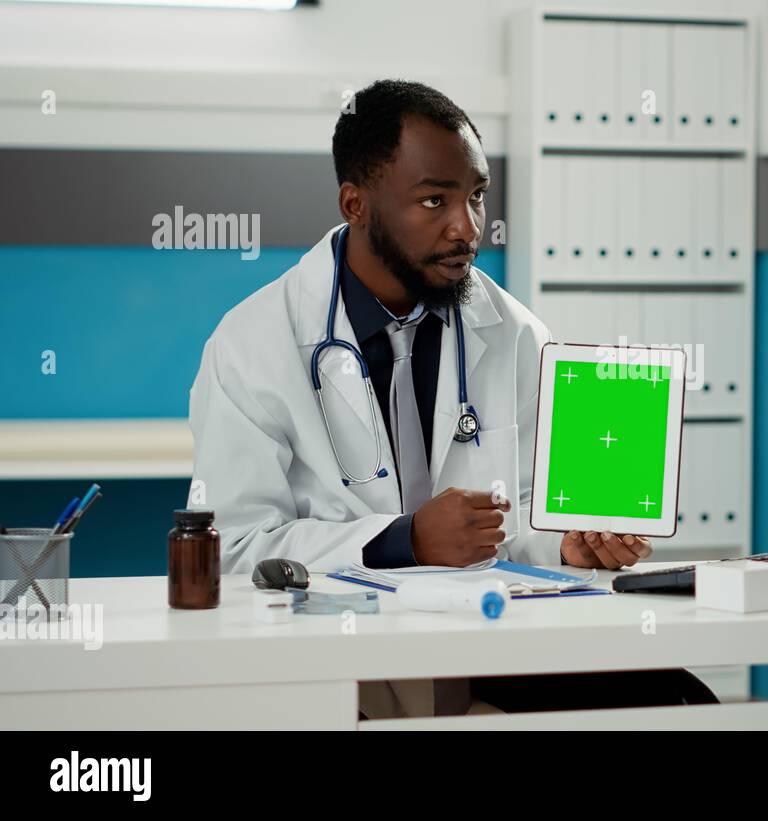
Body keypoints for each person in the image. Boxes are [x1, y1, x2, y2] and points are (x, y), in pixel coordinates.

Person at [188, 79, 715, 716]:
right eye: (434, 200)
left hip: (480, 639)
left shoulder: (513, 332)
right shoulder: (253, 344)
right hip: (328, 652)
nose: (466, 228)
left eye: (476, 197)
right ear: (356, 204)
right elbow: (236, 550)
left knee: (678, 700)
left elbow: (521, 519)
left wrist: (567, 544)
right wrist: (404, 539)